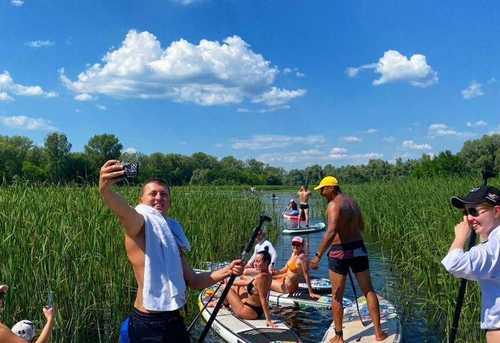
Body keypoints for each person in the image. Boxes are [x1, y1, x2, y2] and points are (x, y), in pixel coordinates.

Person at [99, 160, 243, 343]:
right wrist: (106, 190)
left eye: (164, 194)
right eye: (153, 193)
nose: (159, 197)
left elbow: (193, 280)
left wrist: (227, 271)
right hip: (148, 323)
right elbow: (122, 211)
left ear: (169, 202)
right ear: (141, 200)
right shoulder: (138, 225)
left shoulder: (171, 235)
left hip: (174, 320)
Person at [310, 176, 387, 343]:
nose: (321, 193)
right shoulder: (352, 202)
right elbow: (361, 226)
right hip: (358, 248)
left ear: (331, 188)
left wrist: (317, 256)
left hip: (340, 252)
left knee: (336, 296)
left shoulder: (334, 205)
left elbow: (331, 232)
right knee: (368, 290)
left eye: (323, 189)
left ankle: (339, 336)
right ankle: (379, 333)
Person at [441, 185, 500, 342]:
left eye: (474, 211)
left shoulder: (494, 247)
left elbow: (454, 263)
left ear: (496, 211)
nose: (468, 218)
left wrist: (461, 237)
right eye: (465, 213)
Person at [210, 249, 276, 328]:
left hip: (248, 312)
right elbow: (247, 282)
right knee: (235, 287)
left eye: (258, 261)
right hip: (256, 310)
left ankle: (221, 303)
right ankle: (223, 302)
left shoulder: (261, 278)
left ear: (266, 262)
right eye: (255, 261)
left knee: (226, 288)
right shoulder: (267, 275)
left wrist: (268, 319)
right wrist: (229, 281)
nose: (255, 264)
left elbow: (263, 299)